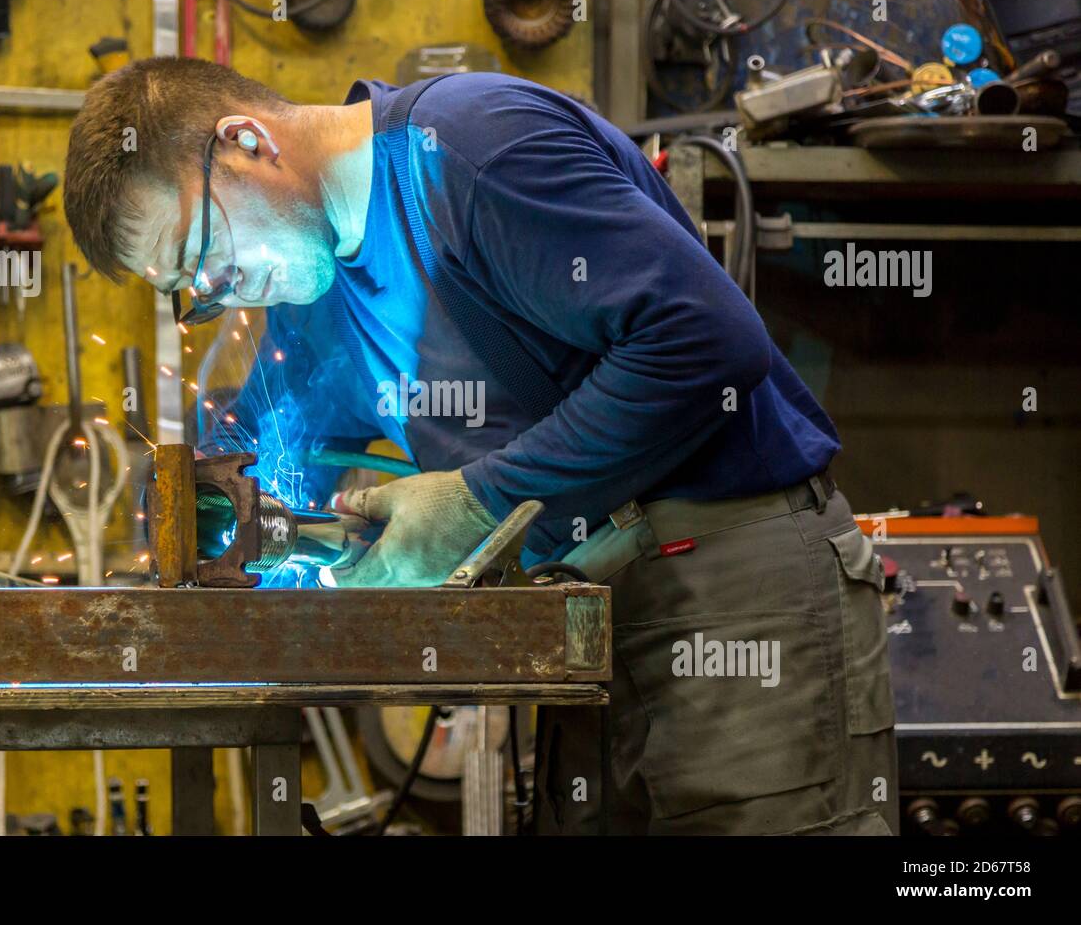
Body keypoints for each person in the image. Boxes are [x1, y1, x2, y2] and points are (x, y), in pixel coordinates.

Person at [63, 57, 898, 835]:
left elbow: (706, 341)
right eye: (189, 293)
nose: (219, 288)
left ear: (245, 143)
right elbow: (253, 458)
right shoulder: (314, 294)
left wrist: (475, 503)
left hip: (733, 588)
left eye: (202, 256)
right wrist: (191, 521)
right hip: (584, 625)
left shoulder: (469, 148)